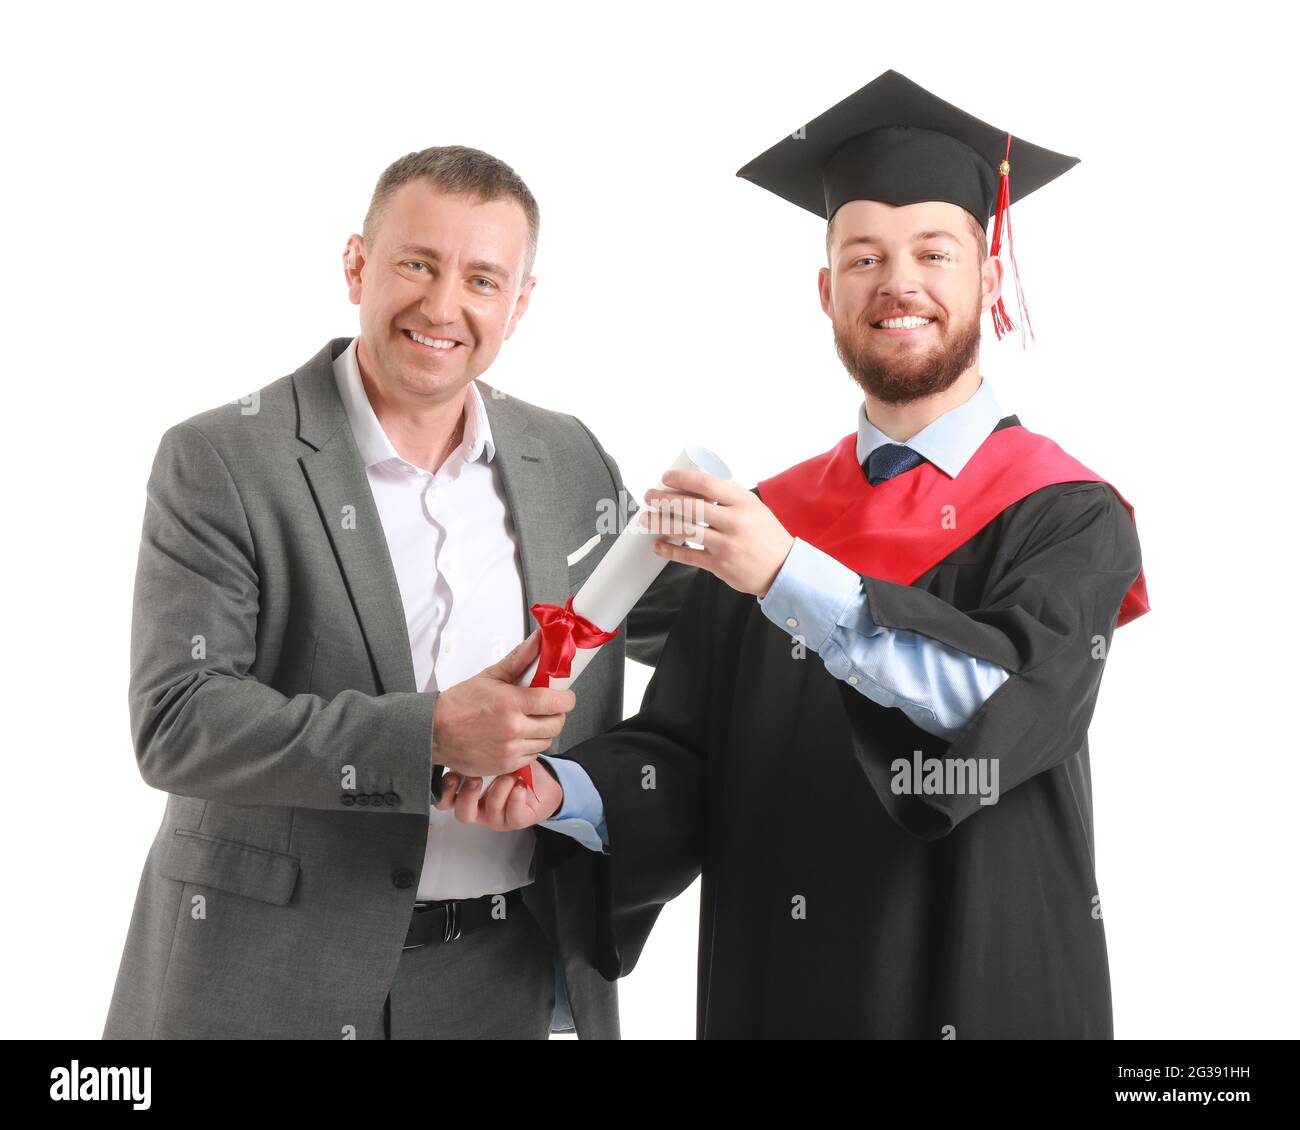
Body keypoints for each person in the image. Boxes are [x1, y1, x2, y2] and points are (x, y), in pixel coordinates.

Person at [439, 71, 1149, 1038]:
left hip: (984, 978)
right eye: (863, 258)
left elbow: (994, 707)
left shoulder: (1065, 513)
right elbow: (686, 755)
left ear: (986, 277)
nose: (897, 283)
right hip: (779, 987)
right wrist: (566, 791)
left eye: (934, 253)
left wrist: (786, 574)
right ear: (827, 291)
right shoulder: (773, 515)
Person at [103, 145, 693, 1040]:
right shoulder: (223, 458)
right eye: (418, 263)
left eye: (483, 279)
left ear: (520, 304)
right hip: (273, 974)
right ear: (357, 265)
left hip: (501, 975)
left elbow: (672, 626)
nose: (442, 305)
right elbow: (177, 721)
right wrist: (429, 734)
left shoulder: (568, 456)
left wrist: (790, 565)